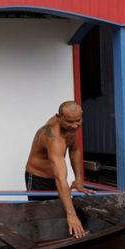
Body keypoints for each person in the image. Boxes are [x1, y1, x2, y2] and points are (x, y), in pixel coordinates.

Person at [25, 101, 93, 239]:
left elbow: (74, 149)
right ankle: (40, 241)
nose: (74, 125)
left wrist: (79, 180)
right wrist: (71, 214)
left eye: (78, 121)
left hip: (56, 176)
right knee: (42, 216)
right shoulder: (54, 137)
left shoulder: (71, 127)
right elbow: (61, 178)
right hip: (39, 177)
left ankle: (65, 234)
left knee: (60, 209)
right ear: (59, 117)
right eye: (69, 122)